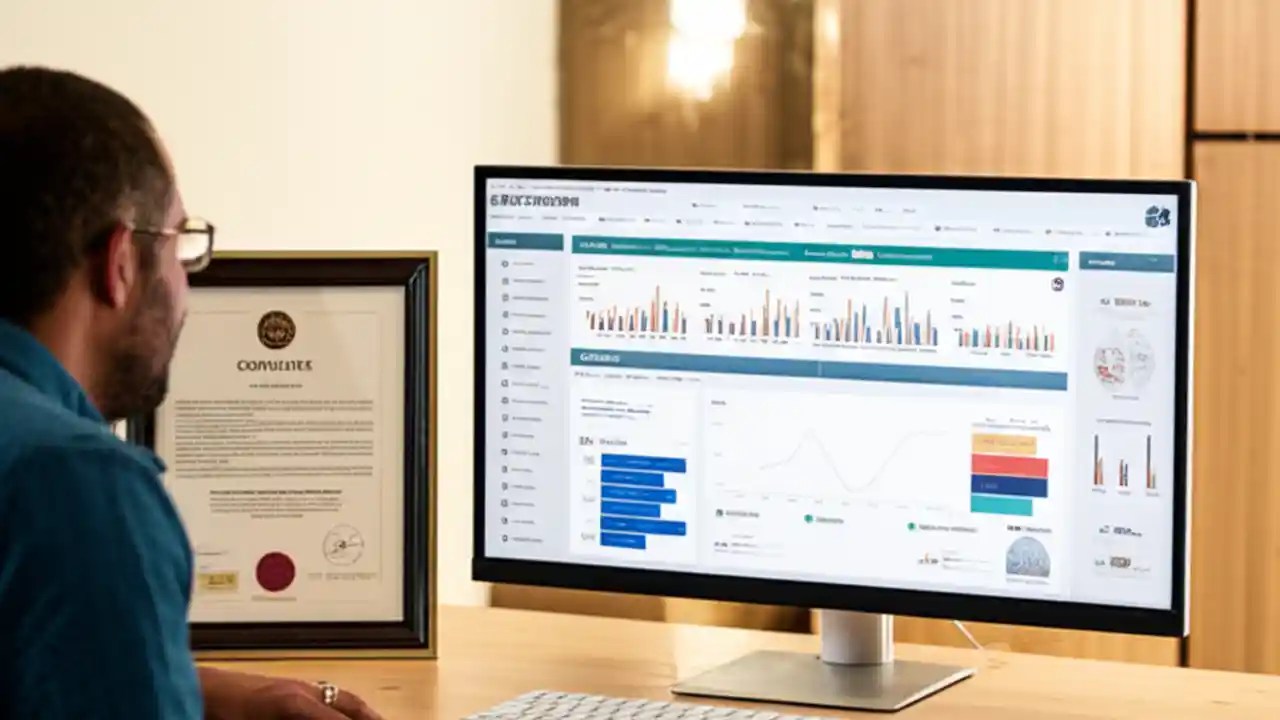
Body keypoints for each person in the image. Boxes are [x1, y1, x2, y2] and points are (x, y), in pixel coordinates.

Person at [0, 67, 382, 719]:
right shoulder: (77, 486)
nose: (184, 283)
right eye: (181, 244)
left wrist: (210, 693)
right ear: (120, 263)